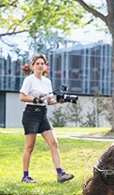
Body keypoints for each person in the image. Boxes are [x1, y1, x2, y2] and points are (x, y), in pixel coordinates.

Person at [18, 54, 74, 184]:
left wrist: (60, 101)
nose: (40, 65)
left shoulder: (47, 82)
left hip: (42, 115)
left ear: (45, 66)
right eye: (37, 63)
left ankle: (60, 174)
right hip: (30, 114)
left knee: (54, 143)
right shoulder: (29, 80)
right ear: (32, 66)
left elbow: (49, 101)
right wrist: (35, 99)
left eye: (42, 63)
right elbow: (22, 97)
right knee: (29, 147)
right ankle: (25, 176)